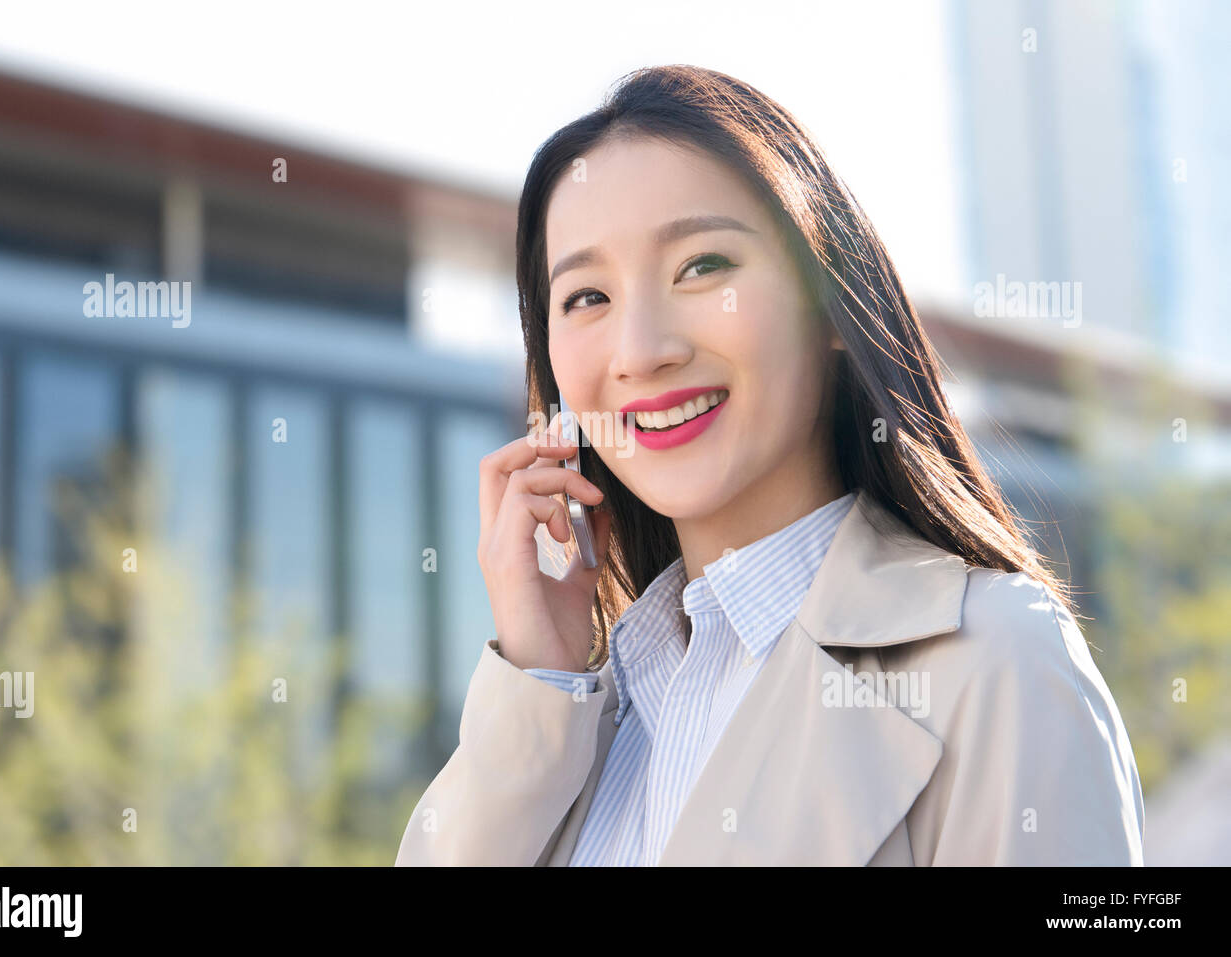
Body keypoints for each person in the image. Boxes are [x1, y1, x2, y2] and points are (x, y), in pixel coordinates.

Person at [395, 64, 1144, 866]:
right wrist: (536, 687)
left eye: (703, 267)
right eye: (586, 297)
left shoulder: (999, 662)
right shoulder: (588, 719)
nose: (641, 351)